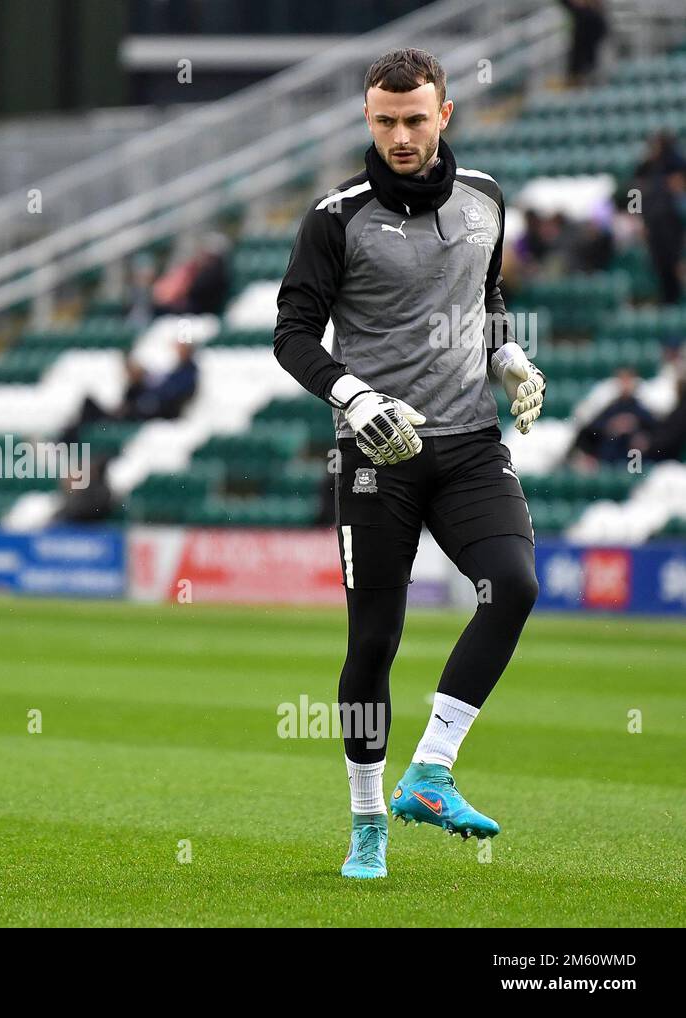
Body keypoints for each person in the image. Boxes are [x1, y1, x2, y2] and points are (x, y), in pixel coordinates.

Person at [274, 48, 543, 880]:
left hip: (467, 443)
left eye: (415, 118)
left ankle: (429, 772)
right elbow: (291, 335)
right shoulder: (334, 217)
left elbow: (483, 302)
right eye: (385, 120)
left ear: (446, 115)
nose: (400, 134)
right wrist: (354, 397)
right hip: (376, 455)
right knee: (375, 642)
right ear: (368, 118)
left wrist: (508, 360)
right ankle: (366, 826)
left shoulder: (487, 199)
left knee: (517, 584)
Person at [632, 132, 686, 306]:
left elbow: (678, 188)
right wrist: (637, 218)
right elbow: (634, 192)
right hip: (653, 225)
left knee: (675, 265)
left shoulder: (673, 164)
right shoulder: (645, 168)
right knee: (659, 268)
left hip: (671, 224)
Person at [572, 368, 658, 466]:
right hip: (609, 458)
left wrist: (642, 435)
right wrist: (611, 427)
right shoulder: (611, 408)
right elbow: (591, 431)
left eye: (629, 380)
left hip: (634, 460)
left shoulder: (641, 409)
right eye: (623, 380)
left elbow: (655, 431)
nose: (626, 385)